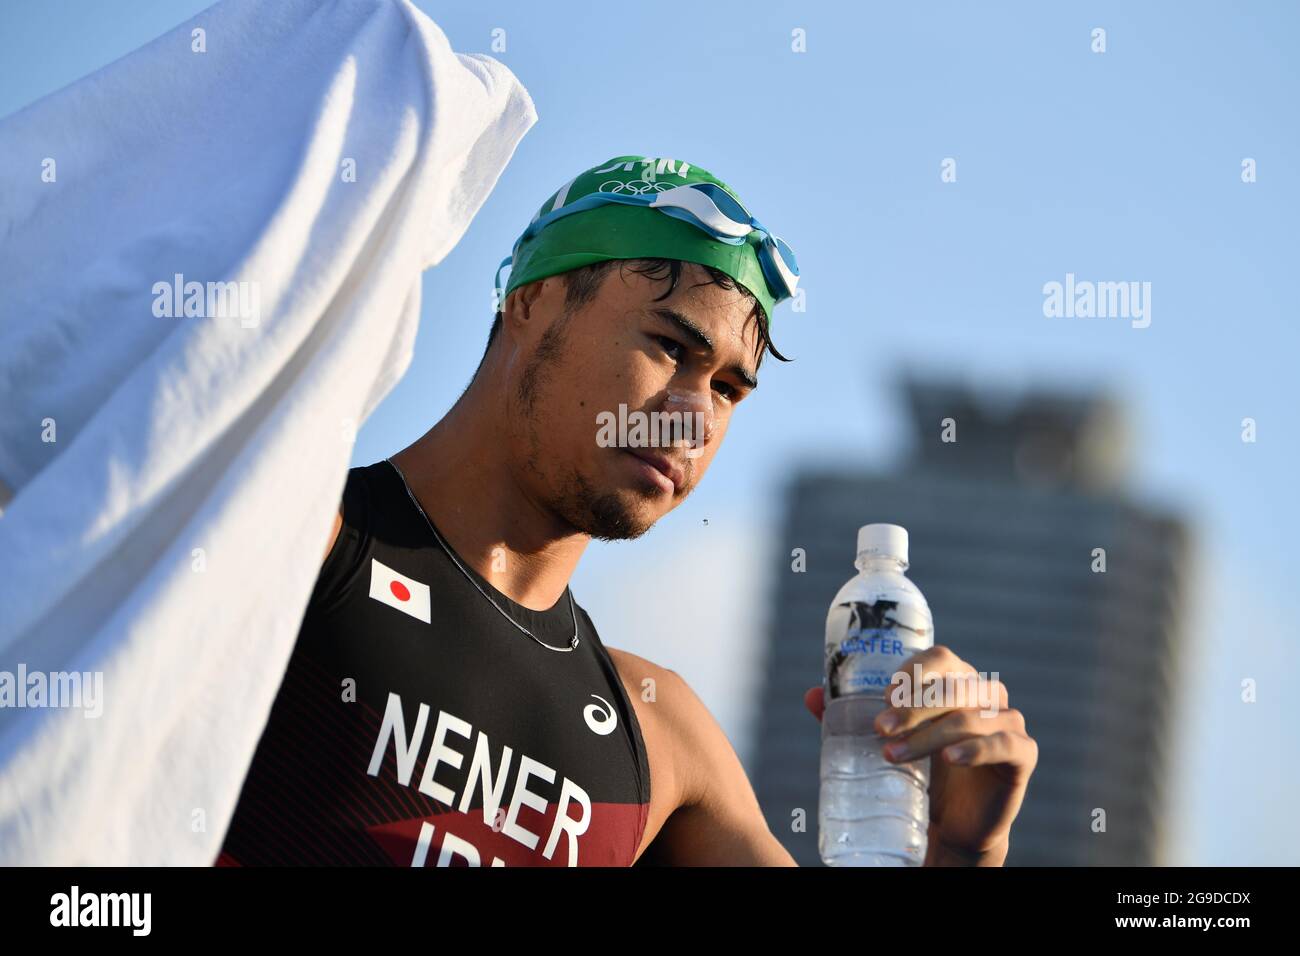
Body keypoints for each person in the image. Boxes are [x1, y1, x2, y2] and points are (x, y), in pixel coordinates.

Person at [215, 155, 1037, 866]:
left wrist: (965, 851)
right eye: (671, 347)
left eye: (728, 389)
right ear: (531, 303)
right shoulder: (292, 540)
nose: (696, 417)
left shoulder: (664, 741)